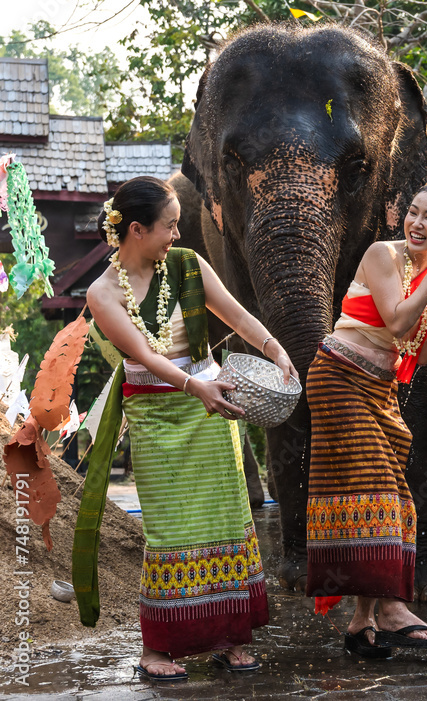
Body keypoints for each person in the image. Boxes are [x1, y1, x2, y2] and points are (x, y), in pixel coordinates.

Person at [74, 176, 297, 681]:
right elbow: (145, 354)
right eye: (170, 226)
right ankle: (160, 648)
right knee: (171, 533)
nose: (177, 234)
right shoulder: (103, 291)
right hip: (158, 415)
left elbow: (235, 314)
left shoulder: (188, 266)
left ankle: (233, 637)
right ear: (136, 229)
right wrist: (192, 386)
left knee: (225, 520)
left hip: (210, 411)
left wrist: (273, 348)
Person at [305, 181, 427, 657]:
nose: (416, 224)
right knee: (378, 488)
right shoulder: (383, 254)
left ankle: (362, 621)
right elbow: (397, 322)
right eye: (413, 213)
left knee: (396, 502)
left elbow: (416, 353)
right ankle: (394, 607)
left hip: (381, 389)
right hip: (339, 377)